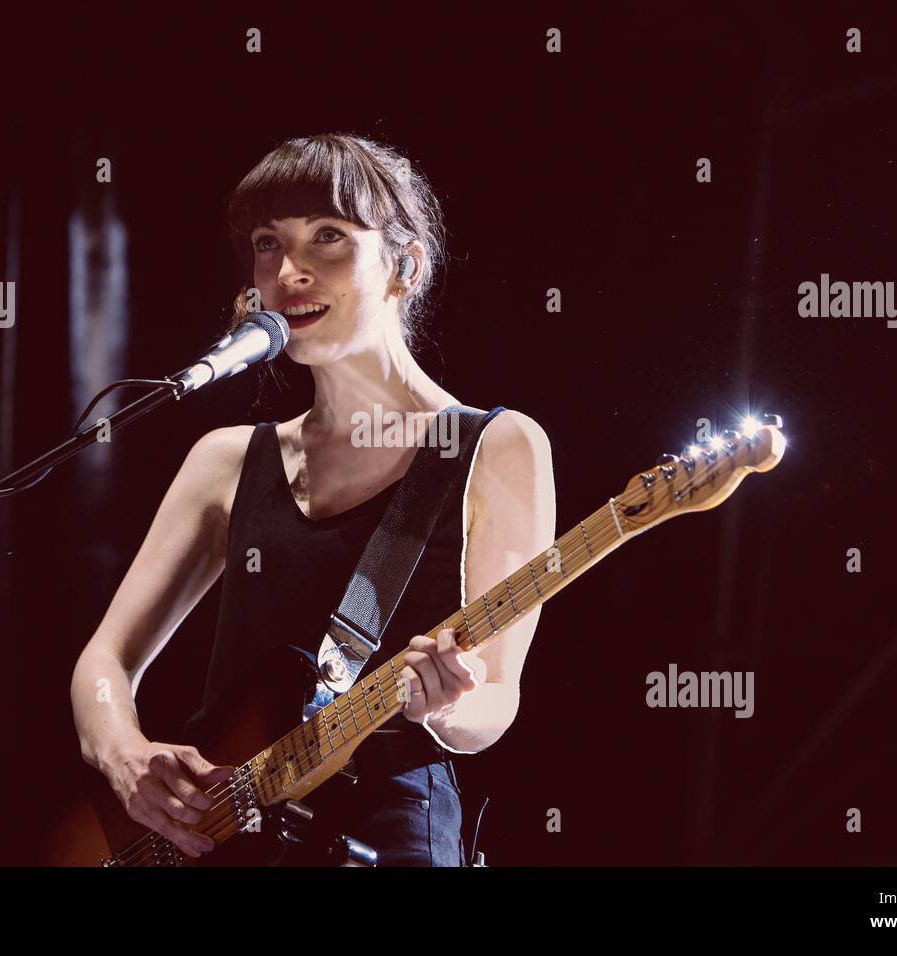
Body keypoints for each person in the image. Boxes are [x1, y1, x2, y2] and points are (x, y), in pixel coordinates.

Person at [70, 133, 556, 866]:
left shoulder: (498, 446)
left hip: (387, 839)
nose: (288, 271)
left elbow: (498, 699)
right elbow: (104, 659)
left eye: (328, 237)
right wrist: (123, 754)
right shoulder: (228, 459)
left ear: (404, 266)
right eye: (268, 244)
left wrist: (451, 704)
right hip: (226, 839)